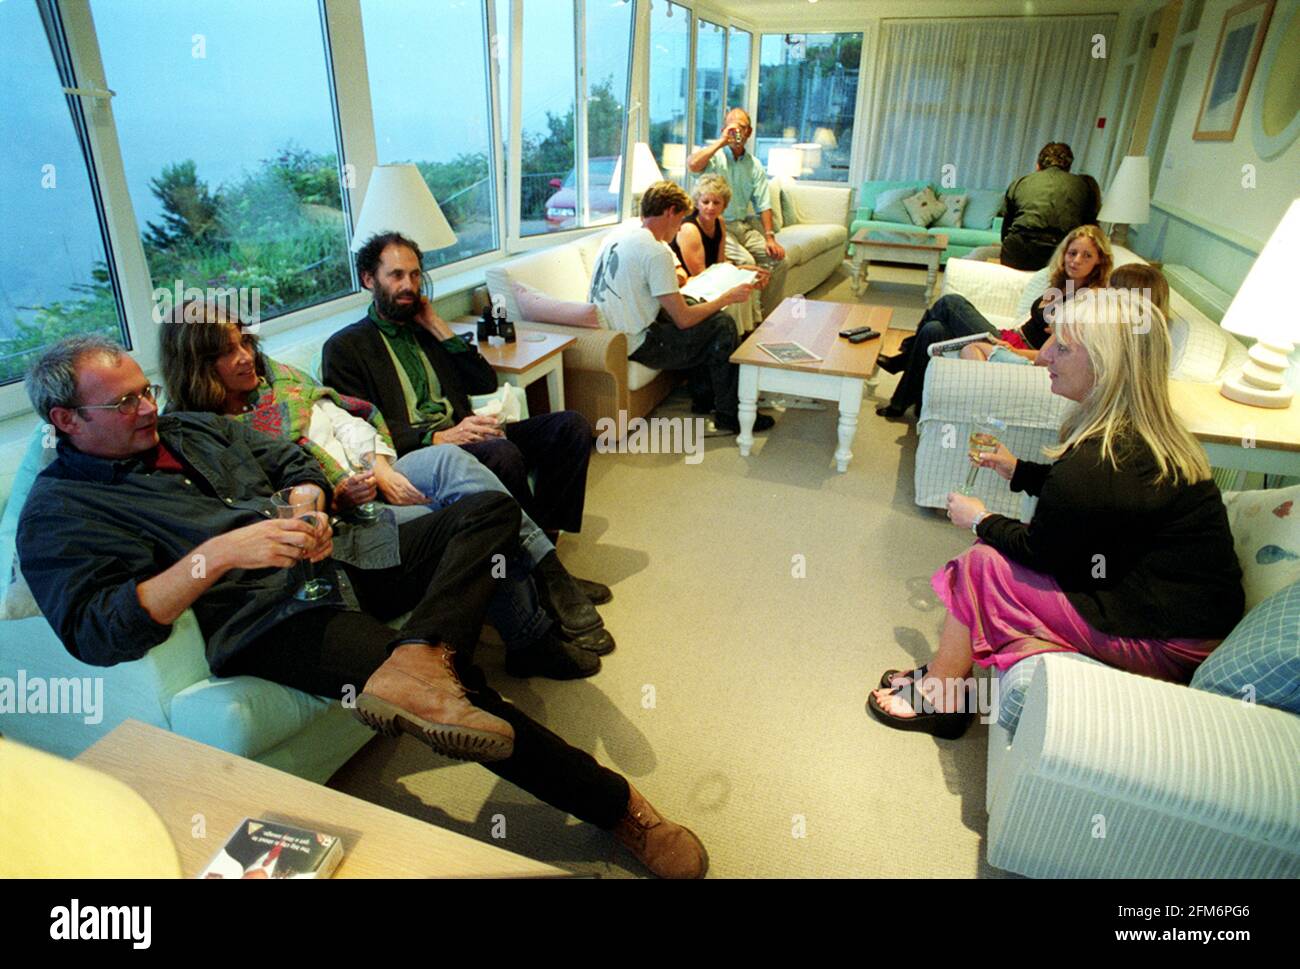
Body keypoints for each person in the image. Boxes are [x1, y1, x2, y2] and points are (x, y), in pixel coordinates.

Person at [17, 337, 707, 878]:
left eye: (146, 391)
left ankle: (423, 654)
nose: (146, 409)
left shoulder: (191, 428)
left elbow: (292, 461)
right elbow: (96, 632)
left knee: (487, 511)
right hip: (274, 619)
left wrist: (308, 502)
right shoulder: (61, 512)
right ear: (66, 420)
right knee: (464, 694)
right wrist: (219, 555)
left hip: (343, 557)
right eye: (124, 403)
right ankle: (621, 810)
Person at [866, 290, 1244, 738]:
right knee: (988, 555)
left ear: (1106, 364)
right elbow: (1092, 504)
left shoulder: (1100, 458)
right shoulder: (1139, 436)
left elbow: (1042, 550)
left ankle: (943, 697)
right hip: (1169, 614)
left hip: (1164, 642)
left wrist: (980, 519)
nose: (1044, 357)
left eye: (1062, 347)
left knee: (981, 563)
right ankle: (945, 674)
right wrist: (1018, 470)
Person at [158, 300, 613, 666]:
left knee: (453, 462)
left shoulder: (281, 383)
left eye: (245, 342)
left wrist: (381, 471)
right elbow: (270, 501)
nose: (245, 356)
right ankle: (529, 636)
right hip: (344, 512)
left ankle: (550, 575)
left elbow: (350, 421)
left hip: (378, 467)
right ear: (197, 366)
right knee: (468, 514)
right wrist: (338, 495)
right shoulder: (204, 434)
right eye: (228, 352)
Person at [321, 232, 610, 613]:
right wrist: (437, 436)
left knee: (570, 427)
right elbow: (360, 424)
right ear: (368, 279)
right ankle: (538, 578)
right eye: (396, 275)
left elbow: (484, 381)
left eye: (415, 275)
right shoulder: (346, 347)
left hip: (467, 432)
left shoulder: (425, 329)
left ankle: (547, 558)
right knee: (502, 454)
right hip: (419, 454)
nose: (408, 285)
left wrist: (438, 326)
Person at [587, 179, 774, 436]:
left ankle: (704, 397)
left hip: (612, 334)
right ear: (670, 212)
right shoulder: (655, 252)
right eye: (680, 220)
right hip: (637, 343)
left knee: (698, 307)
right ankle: (730, 414)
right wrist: (727, 298)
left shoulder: (619, 236)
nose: (679, 228)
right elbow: (684, 320)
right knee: (722, 325)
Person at [876, 225, 1112, 417]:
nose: (1076, 260)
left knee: (950, 303)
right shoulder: (1062, 284)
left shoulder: (1087, 300)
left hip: (1016, 349)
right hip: (1010, 336)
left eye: (1087, 256)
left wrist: (1015, 352)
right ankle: (902, 403)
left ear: (1099, 261)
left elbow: (1052, 353)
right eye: (1072, 253)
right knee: (933, 329)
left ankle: (903, 358)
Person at [687, 107, 789, 318]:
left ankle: (768, 317)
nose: (737, 132)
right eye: (731, 127)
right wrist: (722, 141)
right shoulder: (714, 158)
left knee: (779, 261)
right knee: (747, 263)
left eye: (741, 127)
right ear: (724, 130)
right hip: (719, 225)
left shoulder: (754, 165)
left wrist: (770, 237)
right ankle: (750, 320)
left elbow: (763, 203)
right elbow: (693, 165)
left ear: (749, 132)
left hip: (743, 226)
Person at [1000, 142, 1102, 272]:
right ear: (1068, 167)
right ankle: (1066, 285)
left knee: (1008, 275)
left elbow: (1006, 226)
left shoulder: (1020, 183)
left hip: (1018, 252)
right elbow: (1089, 228)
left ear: (1038, 165)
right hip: (1060, 253)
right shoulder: (1083, 186)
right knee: (1069, 277)